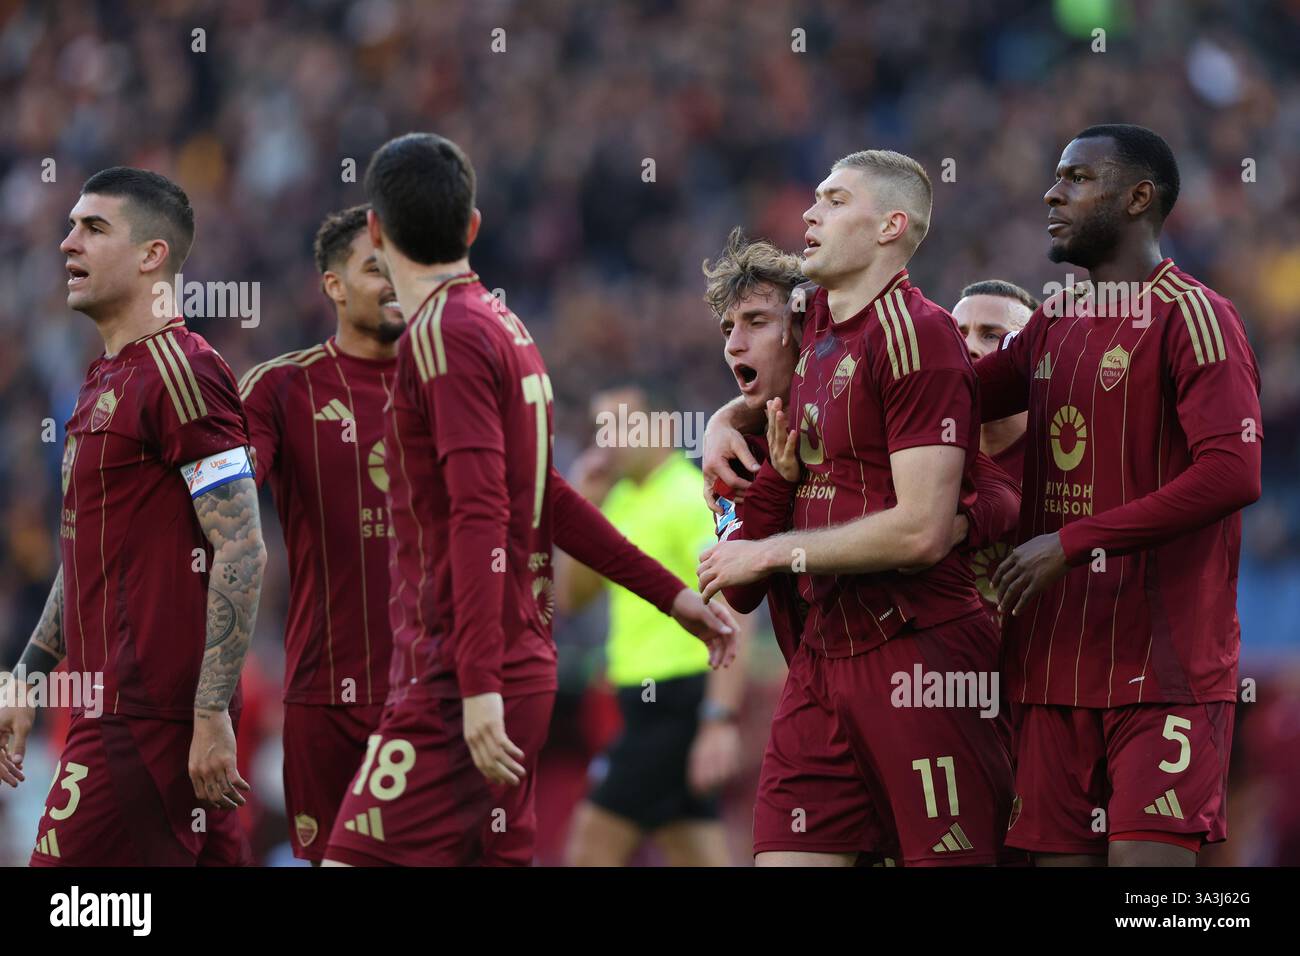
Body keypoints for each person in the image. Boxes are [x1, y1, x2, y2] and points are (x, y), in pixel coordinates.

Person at [321, 133, 736, 867]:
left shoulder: (441, 337)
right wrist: (673, 595)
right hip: (518, 672)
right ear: (472, 226)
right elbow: (547, 497)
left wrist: (476, 689)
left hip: (457, 684)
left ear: (377, 233)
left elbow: (484, 515)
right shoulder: (507, 328)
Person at [697, 154, 1016, 867]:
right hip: (818, 665)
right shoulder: (814, 339)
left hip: (918, 654)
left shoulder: (917, 336)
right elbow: (741, 585)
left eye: (834, 201)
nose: (808, 215)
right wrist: (722, 426)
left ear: (890, 226)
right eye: (727, 328)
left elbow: (951, 512)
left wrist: (774, 549)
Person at [977, 124, 1262, 866]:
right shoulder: (1053, 320)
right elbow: (948, 397)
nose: (1052, 190)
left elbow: (1232, 472)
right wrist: (744, 413)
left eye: (1077, 177)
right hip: (1055, 667)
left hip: (1164, 671)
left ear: (1138, 198)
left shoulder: (1196, 317)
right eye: (1056, 175)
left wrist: (1071, 542)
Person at [0, 167, 264, 865]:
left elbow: (241, 547)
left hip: (143, 721)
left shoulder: (184, 371)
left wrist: (208, 715)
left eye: (92, 228)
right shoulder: (102, 380)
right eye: (68, 226)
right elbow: (89, 553)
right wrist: (26, 677)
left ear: (152, 256)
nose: (67, 243)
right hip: (122, 715)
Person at [238, 205, 405, 864]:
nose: (394, 283)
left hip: (427, 692)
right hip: (320, 698)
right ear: (334, 286)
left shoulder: (451, 383)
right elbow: (221, 496)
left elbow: (545, 502)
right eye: (375, 269)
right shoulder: (281, 389)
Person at [558, 385, 751, 867]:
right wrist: (587, 502)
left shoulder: (688, 497)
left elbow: (736, 607)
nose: (610, 441)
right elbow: (572, 598)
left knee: (590, 848)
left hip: (678, 700)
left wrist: (719, 720)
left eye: (623, 425)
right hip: (639, 704)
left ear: (662, 428)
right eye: (602, 429)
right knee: (693, 848)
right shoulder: (616, 498)